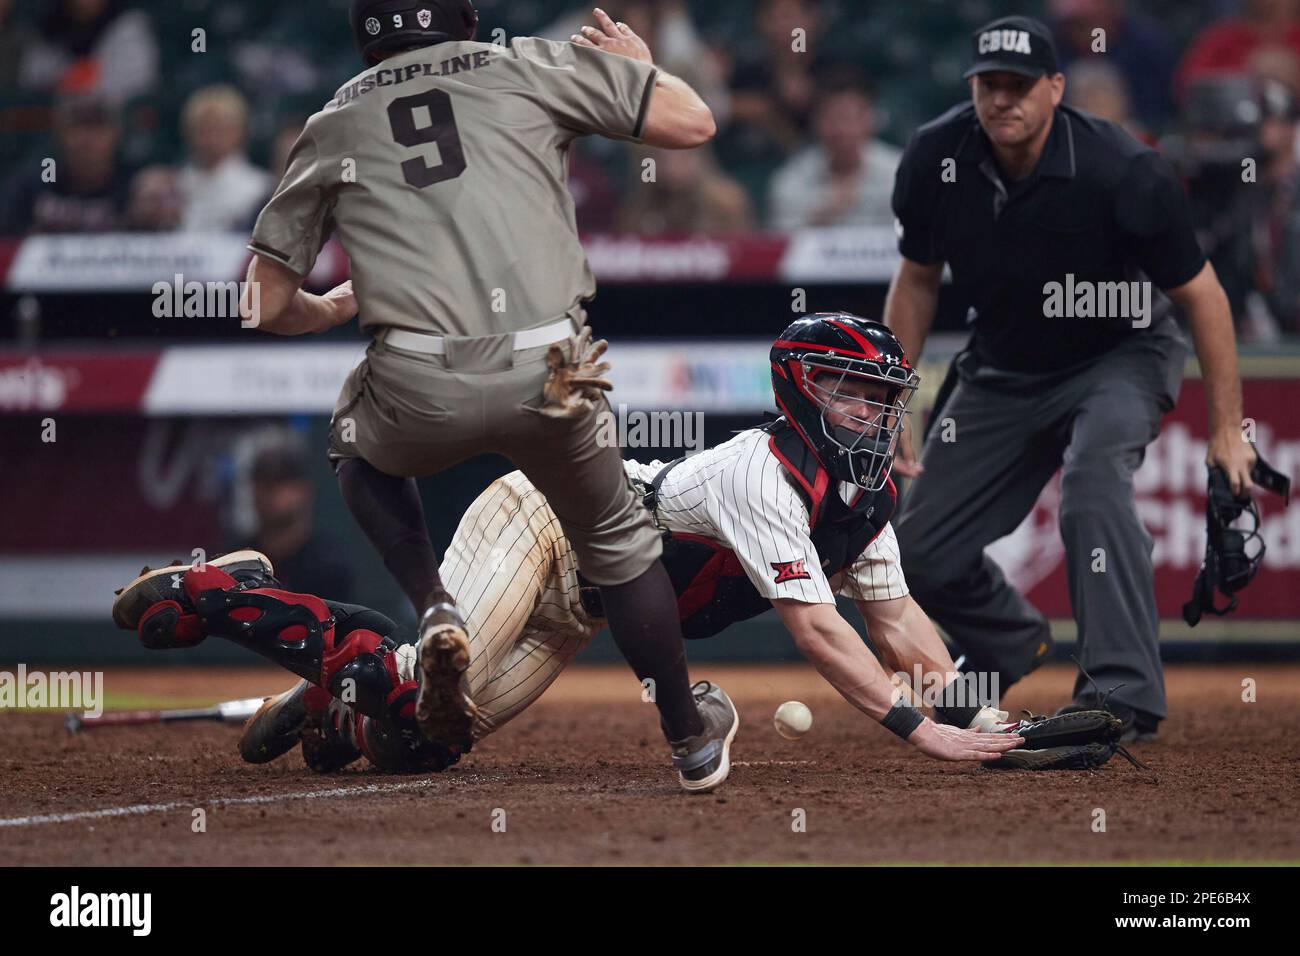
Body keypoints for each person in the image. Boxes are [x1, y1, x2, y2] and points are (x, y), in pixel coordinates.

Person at [111, 314, 1026, 776]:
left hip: (583, 609)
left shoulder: (864, 497)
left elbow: (900, 623)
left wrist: (982, 719)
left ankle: (327, 699)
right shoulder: (766, 469)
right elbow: (823, 635)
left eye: (882, 396)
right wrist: (923, 735)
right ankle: (214, 595)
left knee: (425, 744)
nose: (876, 412)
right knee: (413, 682)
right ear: (804, 391)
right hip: (547, 527)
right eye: (855, 392)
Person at [235, 3, 734, 793]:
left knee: (353, 445)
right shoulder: (526, 64)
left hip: (418, 379)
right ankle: (688, 737)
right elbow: (693, 124)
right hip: (554, 367)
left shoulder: (334, 119)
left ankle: (434, 604)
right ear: (462, 19)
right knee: (616, 540)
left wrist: (330, 309)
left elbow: (259, 304)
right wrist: (637, 65)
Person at [886, 16, 1256, 743]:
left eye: (1019, 85)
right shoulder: (936, 156)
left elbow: (1203, 296)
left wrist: (1226, 432)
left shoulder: (1124, 168)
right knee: (919, 551)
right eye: (989, 85)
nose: (1002, 100)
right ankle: (1005, 644)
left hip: (1120, 354)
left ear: (1056, 88)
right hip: (1005, 367)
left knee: (1092, 487)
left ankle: (1119, 698)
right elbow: (918, 280)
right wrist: (896, 398)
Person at [767, 73, 900, 229]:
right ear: (816, 123)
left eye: (848, 119)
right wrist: (823, 213)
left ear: (869, 121)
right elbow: (778, 239)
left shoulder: (901, 171)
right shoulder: (792, 178)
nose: (840, 130)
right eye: (831, 119)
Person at [0, 93, 130, 234]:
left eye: (97, 126)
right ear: (60, 132)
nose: (87, 137)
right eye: (77, 126)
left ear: (116, 133)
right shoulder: (39, 180)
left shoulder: (132, 184)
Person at [178, 85, 274, 232]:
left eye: (220, 129)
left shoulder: (260, 187)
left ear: (240, 131)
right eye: (204, 129)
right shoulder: (177, 184)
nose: (211, 138)